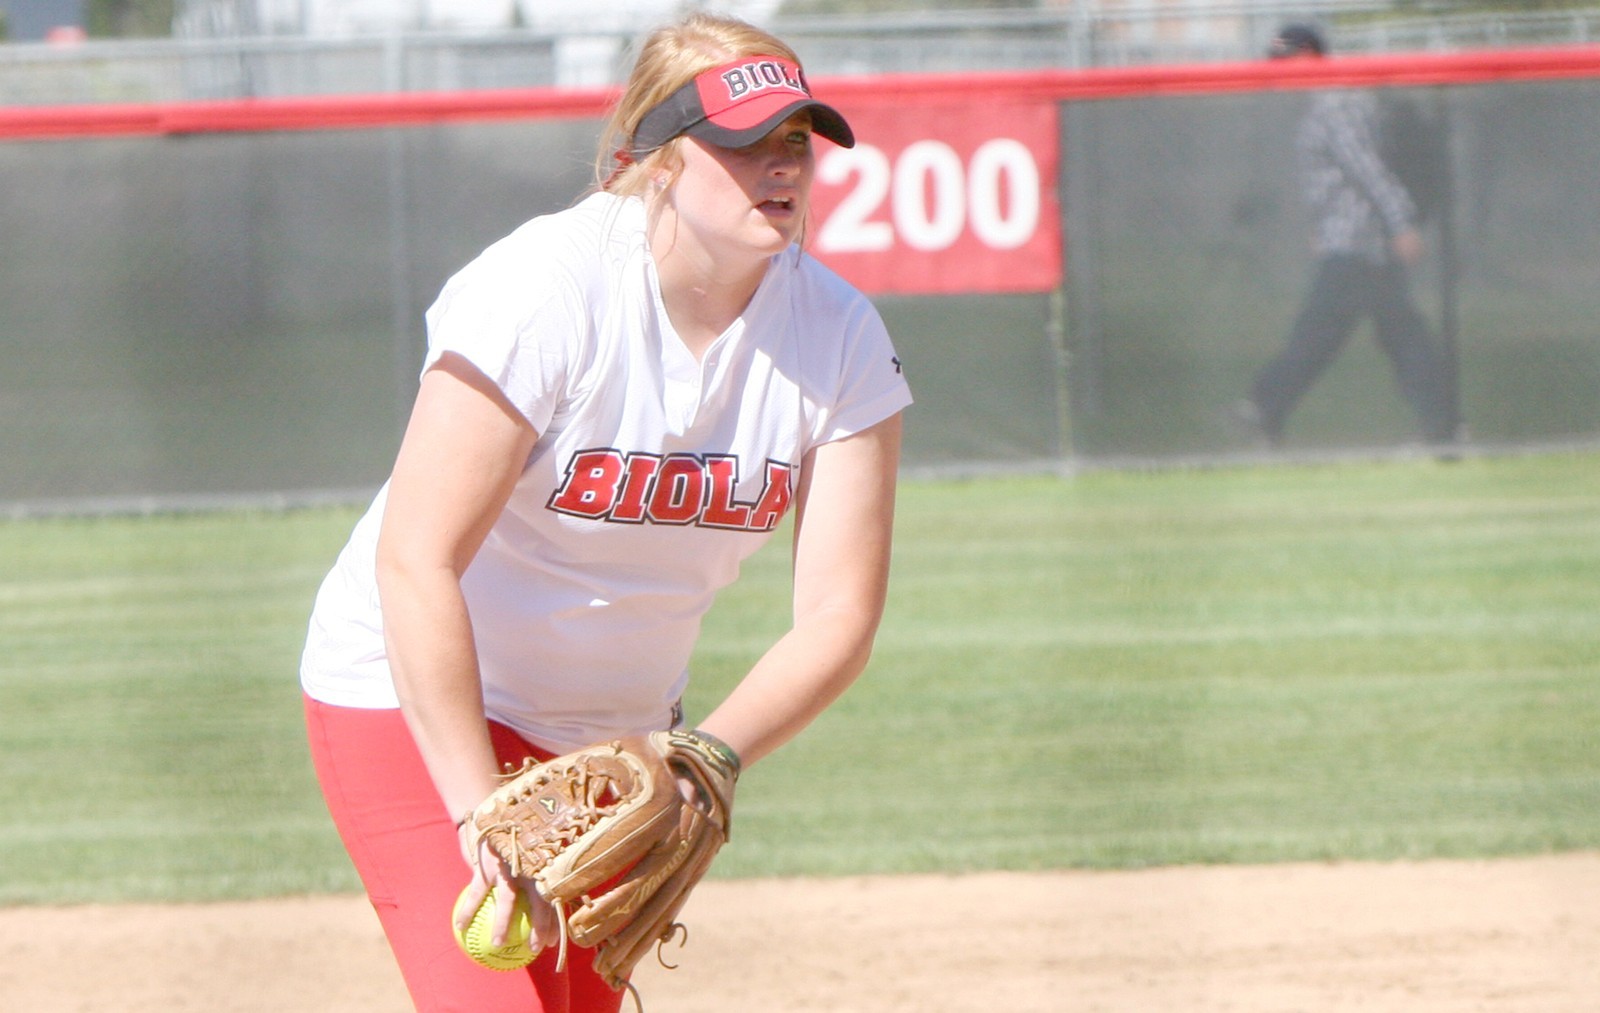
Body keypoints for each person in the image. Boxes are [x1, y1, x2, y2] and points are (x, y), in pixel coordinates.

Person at [298, 12, 911, 1012]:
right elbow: (414, 558)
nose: (780, 164)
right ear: (657, 155)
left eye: (797, 138)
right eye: (745, 139)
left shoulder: (837, 334)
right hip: (416, 703)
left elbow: (839, 613)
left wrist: (707, 755)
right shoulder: (548, 290)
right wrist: (482, 816)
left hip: (615, 757)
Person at [1234, 22, 1458, 449]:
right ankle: (1442, 425)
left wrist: (1401, 224)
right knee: (1392, 333)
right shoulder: (1325, 103)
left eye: (1288, 61)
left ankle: (1262, 408)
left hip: (1360, 244)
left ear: (1312, 57)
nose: (1280, 72)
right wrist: (1324, 227)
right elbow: (1340, 179)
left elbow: (1369, 172)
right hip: (1353, 240)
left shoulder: (1336, 103)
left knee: (1326, 331)